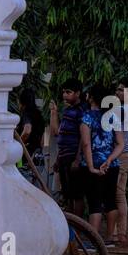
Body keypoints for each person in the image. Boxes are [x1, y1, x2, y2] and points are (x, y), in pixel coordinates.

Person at [78, 83, 125, 246]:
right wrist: (110, 159)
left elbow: (86, 144)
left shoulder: (86, 117)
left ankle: (94, 239)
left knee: (94, 202)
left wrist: (91, 166)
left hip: (93, 164)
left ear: (91, 98)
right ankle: (110, 237)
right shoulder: (113, 117)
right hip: (112, 165)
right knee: (110, 200)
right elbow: (120, 144)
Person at [49, 79, 85, 212]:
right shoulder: (67, 111)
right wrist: (54, 112)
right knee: (67, 193)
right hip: (64, 156)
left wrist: (77, 158)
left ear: (77, 93)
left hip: (73, 156)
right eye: (64, 92)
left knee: (76, 194)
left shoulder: (81, 111)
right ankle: (71, 226)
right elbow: (58, 133)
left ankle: (78, 226)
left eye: (68, 92)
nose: (65, 95)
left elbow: (83, 136)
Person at [110, 77, 128, 245]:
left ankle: (115, 234)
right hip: (127, 155)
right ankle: (120, 233)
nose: (117, 92)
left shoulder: (120, 110)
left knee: (116, 196)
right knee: (120, 195)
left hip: (120, 155)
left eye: (120, 90)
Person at [15, 87, 46, 161]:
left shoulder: (26, 113)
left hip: (27, 154)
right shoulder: (39, 114)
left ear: (21, 101)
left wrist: (19, 144)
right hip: (36, 154)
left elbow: (27, 131)